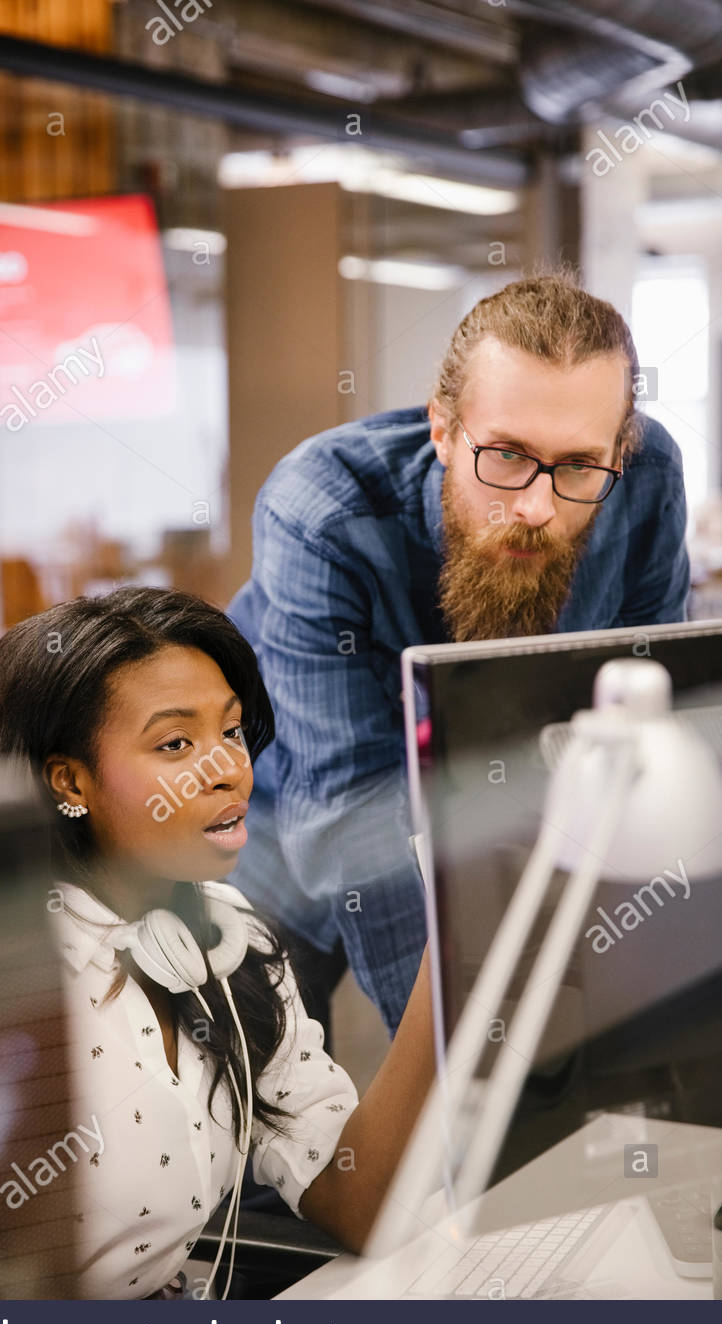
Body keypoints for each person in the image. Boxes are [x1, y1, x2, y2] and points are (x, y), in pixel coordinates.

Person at [228, 272, 691, 1036]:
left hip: (505, 802)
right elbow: (350, 820)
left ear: (621, 450)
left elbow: (642, 724)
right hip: (292, 829)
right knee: (276, 1104)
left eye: (578, 466)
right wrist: (469, 1071)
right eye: (505, 455)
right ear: (442, 429)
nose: (536, 508)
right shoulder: (321, 512)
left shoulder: (645, 482)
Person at [0, 586, 434, 1299]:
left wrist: (452, 956)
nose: (228, 769)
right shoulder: (0, 992)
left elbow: (358, 1202)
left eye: (233, 732)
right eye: (176, 743)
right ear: (70, 781)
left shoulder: (227, 936)